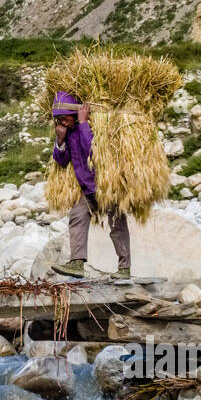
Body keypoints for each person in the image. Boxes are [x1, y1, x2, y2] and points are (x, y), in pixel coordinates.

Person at [48, 91, 131, 279]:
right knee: (77, 215)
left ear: (75, 114)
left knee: (117, 224)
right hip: (86, 188)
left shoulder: (93, 125)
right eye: (58, 120)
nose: (62, 123)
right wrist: (60, 140)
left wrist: (84, 123)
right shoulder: (67, 133)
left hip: (106, 184)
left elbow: (95, 152)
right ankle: (77, 263)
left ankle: (124, 269)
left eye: (64, 119)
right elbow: (62, 161)